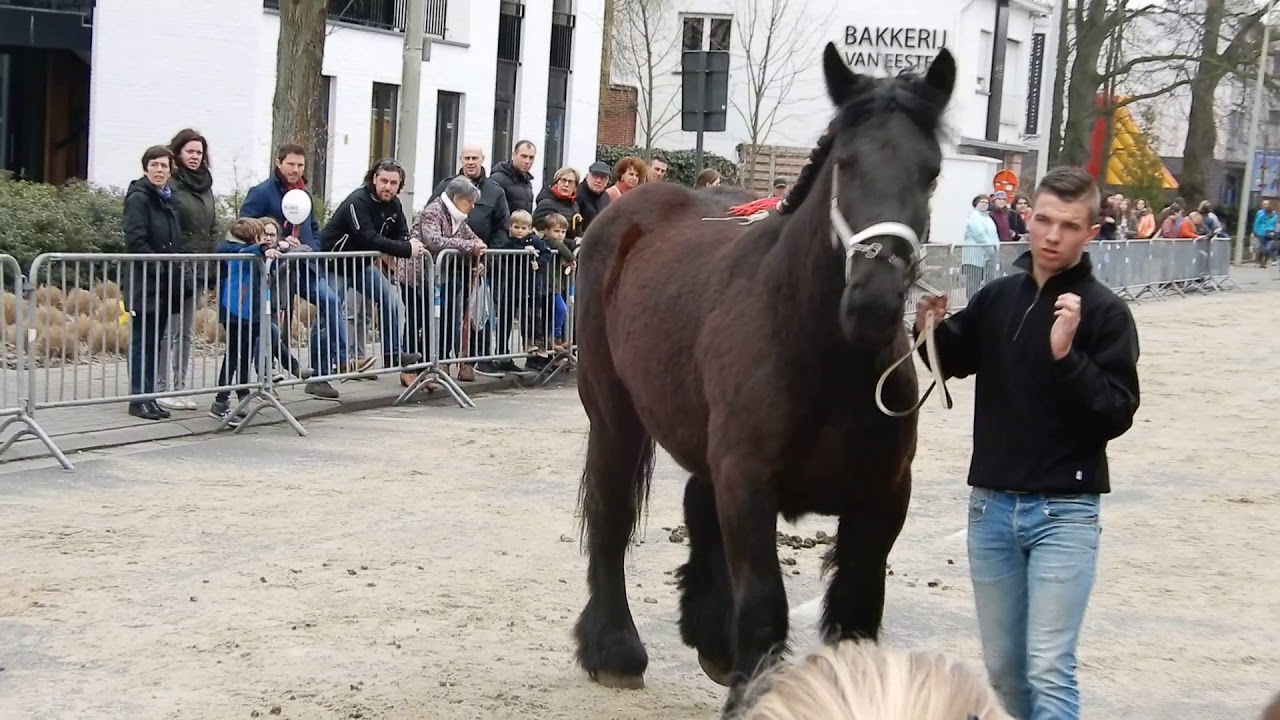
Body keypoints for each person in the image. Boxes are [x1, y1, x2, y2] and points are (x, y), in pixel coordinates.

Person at [915, 166, 1141, 720]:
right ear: (1027, 218)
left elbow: (1117, 411)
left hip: (1065, 511)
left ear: (1091, 231)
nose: (1052, 235)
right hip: (990, 509)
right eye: (1042, 219)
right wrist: (929, 331)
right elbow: (953, 361)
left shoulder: (1106, 313)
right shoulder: (998, 298)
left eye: (1068, 225)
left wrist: (1067, 355)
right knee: (1004, 669)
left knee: (1049, 665)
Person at [240, 143, 351, 400]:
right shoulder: (262, 193)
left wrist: (311, 249)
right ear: (279, 163)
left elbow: (313, 228)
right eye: (291, 164)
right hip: (274, 270)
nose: (296, 169)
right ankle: (266, 379)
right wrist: (274, 243)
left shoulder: (305, 194)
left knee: (331, 302)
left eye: (300, 165)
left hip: (304, 268)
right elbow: (245, 228)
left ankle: (337, 363)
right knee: (270, 323)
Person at [318, 158, 425, 371]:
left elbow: (402, 232)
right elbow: (368, 237)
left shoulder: (394, 205)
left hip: (360, 265)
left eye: (393, 183)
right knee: (329, 312)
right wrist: (405, 249)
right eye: (383, 180)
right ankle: (323, 364)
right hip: (334, 263)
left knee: (391, 299)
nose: (388, 187)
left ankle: (393, 354)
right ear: (374, 179)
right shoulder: (358, 201)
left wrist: (407, 243)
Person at [429, 145, 517, 374]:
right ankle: (444, 360)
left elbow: (501, 228)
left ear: (482, 159)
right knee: (447, 315)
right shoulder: (446, 186)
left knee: (477, 316)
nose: (470, 162)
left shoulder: (495, 191)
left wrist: (487, 260)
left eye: (474, 158)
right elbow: (434, 221)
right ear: (461, 159)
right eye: (466, 158)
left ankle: (470, 362)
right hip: (447, 265)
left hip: (476, 266)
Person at [122, 145, 194, 421]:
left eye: (164, 166)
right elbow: (136, 240)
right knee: (143, 340)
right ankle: (138, 398)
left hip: (165, 283)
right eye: (154, 165)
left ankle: (150, 397)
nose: (160, 170)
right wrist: (162, 263)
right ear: (145, 169)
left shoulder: (167, 199)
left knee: (156, 342)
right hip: (146, 281)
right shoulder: (140, 198)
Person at [157, 128, 215, 412]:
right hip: (176, 265)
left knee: (187, 331)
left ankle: (181, 385)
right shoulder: (172, 184)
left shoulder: (205, 186)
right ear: (178, 152)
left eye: (199, 152)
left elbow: (210, 224)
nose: (195, 157)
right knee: (170, 328)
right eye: (190, 151)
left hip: (199, 265)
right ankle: (160, 386)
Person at [410, 174, 488, 382]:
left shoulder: (458, 219)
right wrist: (470, 247)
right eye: (469, 201)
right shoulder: (434, 211)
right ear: (456, 198)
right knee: (425, 321)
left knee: (446, 320)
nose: (472, 206)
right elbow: (433, 240)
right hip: (419, 275)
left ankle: (440, 362)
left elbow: (472, 237)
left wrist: (478, 247)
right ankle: (423, 366)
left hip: (442, 275)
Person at [210, 217, 277, 427]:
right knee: (233, 355)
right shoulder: (235, 251)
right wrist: (264, 248)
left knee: (244, 355)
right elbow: (251, 251)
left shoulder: (242, 249)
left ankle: (242, 395)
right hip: (235, 310)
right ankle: (220, 402)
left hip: (248, 310)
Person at [962, 194, 999, 297]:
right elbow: (980, 235)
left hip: (987, 256)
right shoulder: (974, 216)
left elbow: (994, 235)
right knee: (973, 283)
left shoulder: (988, 218)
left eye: (986, 203)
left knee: (987, 282)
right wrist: (991, 249)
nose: (984, 204)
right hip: (974, 256)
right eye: (982, 202)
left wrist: (996, 247)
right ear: (976, 203)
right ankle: (970, 304)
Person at [533, 166, 583, 243]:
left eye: (570, 182)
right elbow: (543, 235)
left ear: (575, 187)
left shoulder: (575, 205)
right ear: (556, 183)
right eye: (563, 180)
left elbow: (577, 232)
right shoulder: (546, 204)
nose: (566, 184)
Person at [490, 140, 537, 214]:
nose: (527, 161)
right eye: (524, 156)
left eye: (531, 158)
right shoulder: (498, 179)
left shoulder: (527, 182)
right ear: (514, 155)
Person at [576, 161, 612, 234]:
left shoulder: (605, 197)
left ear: (607, 181)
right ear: (587, 176)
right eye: (595, 176)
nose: (598, 181)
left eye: (603, 178)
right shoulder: (577, 194)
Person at [1253, 200, 1277, 268]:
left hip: (1269, 233)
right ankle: (1260, 262)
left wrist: (1274, 231)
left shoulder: (1273, 214)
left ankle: (1264, 262)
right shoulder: (1260, 213)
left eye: (1267, 204)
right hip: (1261, 232)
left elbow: (1274, 224)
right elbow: (1257, 222)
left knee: (1267, 248)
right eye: (1264, 204)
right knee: (1262, 247)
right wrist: (1255, 231)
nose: (1265, 205)